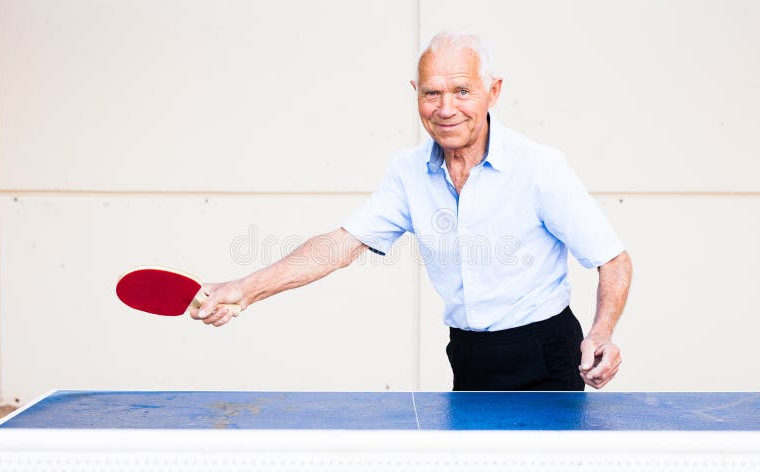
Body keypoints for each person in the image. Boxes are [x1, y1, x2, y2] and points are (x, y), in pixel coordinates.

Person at [192, 32, 633, 391]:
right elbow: (340, 244)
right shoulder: (407, 172)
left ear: (492, 92)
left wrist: (600, 332)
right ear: (415, 94)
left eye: (462, 91)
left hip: (545, 351)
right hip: (469, 355)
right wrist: (245, 289)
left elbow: (613, 259)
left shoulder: (539, 167)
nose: (446, 109)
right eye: (432, 93)